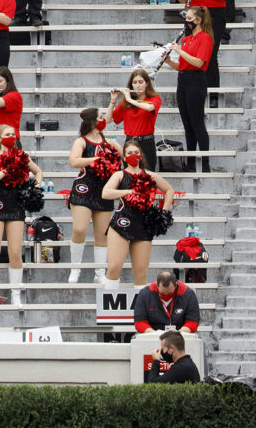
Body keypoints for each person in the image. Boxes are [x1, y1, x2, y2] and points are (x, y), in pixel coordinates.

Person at [101, 143, 175, 294]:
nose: (133, 155)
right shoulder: (119, 175)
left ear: (141, 155)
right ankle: (109, 309)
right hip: (121, 223)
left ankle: (139, 312)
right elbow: (105, 193)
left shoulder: (151, 175)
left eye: (136, 152)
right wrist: (128, 191)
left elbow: (169, 190)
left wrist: (163, 212)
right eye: (129, 153)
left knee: (141, 272)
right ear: (125, 156)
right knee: (114, 267)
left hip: (143, 225)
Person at [0, 126, 41, 306]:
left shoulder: (22, 156)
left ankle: (15, 293)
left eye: (13, 134)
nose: (11, 137)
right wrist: (3, 172)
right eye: (7, 134)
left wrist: (35, 187)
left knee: (15, 252)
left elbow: (38, 172)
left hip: (16, 205)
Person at [162, 5, 214, 174]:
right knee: (187, 123)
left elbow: (199, 62)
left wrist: (179, 50)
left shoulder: (205, 38)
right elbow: (182, 65)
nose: (187, 22)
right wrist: (169, 60)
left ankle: (205, 163)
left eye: (190, 19)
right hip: (183, 80)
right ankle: (191, 162)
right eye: (186, 19)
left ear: (198, 21)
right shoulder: (186, 39)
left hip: (196, 81)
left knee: (197, 122)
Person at [66, 108, 116, 284]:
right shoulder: (81, 141)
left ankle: (99, 273)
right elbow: (74, 161)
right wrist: (97, 159)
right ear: (93, 121)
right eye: (101, 117)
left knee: (102, 234)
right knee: (80, 229)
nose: (104, 120)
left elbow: (123, 157)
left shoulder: (109, 141)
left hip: (104, 188)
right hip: (84, 187)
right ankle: (75, 268)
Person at [110, 69, 162, 170]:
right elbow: (108, 120)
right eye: (135, 82)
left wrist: (129, 99)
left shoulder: (154, 99)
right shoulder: (126, 102)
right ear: (131, 85)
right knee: (129, 176)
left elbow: (149, 108)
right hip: (129, 142)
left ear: (147, 83)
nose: (137, 86)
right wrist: (113, 101)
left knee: (147, 175)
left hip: (146, 142)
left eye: (140, 82)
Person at [134, 266, 200, 333]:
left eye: (169, 293)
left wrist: (179, 332)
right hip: (152, 333)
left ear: (176, 285)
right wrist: (155, 334)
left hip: (180, 333)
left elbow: (193, 321)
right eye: (162, 293)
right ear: (157, 285)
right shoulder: (145, 294)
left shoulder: (187, 294)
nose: (166, 295)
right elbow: (140, 322)